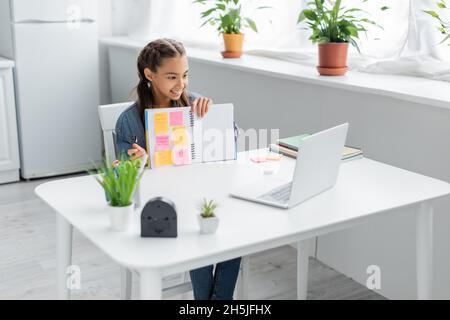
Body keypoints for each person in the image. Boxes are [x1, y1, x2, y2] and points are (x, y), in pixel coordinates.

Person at [115, 38, 241, 300]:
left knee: (234, 231)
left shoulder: (193, 103)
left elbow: (232, 139)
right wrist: (137, 163)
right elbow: (120, 174)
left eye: (185, 75)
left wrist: (212, 120)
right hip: (159, 204)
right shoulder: (129, 120)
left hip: (198, 192)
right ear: (150, 74)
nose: (181, 84)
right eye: (172, 77)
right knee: (198, 227)